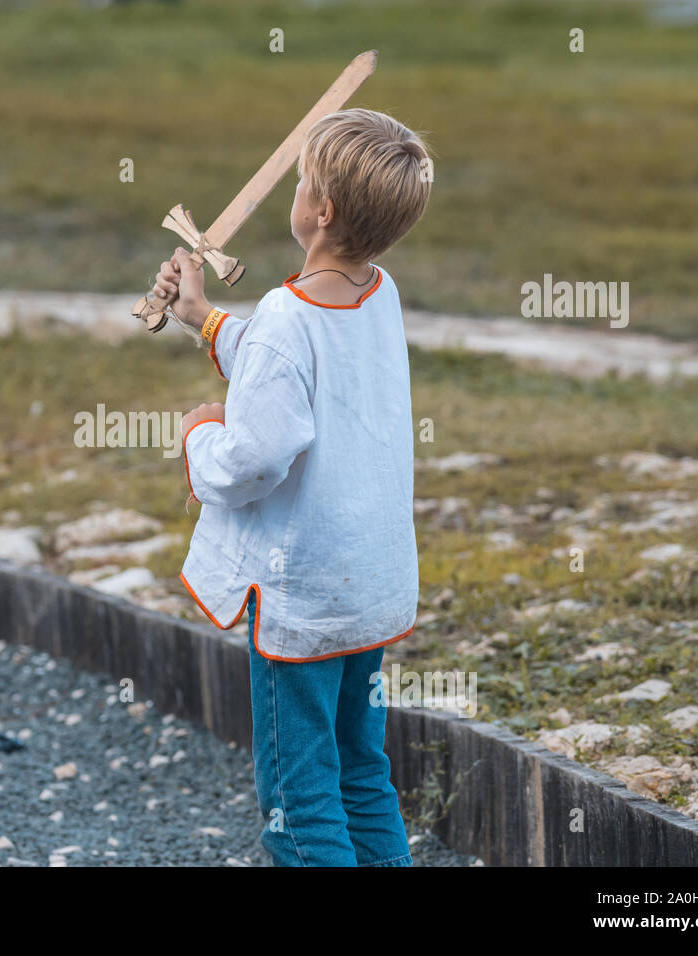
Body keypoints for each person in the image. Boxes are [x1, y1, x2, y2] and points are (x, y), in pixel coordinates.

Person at [152, 109, 432, 866]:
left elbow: (255, 458)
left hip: (302, 598)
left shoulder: (285, 316)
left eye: (305, 178)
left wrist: (200, 435)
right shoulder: (380, 295)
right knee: (362, 770)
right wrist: (204, 319)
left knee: (300, 798)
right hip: (366, 587)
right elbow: (302, 374)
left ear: (320, 209)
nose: (299, 189)